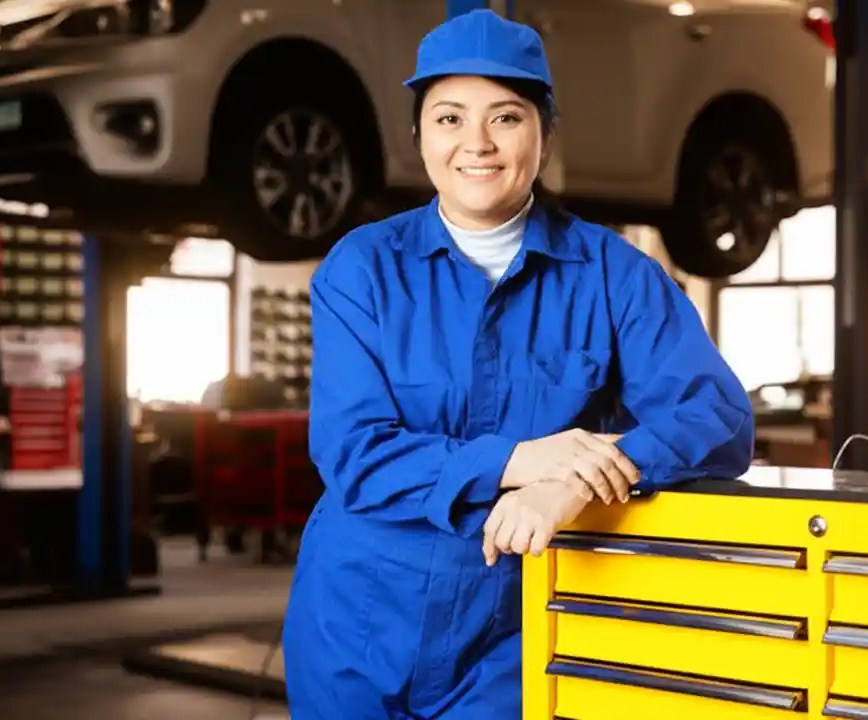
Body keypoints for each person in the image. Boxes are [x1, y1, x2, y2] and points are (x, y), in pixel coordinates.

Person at [282, 9, 755, 719]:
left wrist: (582, 482)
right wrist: (523, 461)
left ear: (545, 133)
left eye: (505, 118)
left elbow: (718, 419)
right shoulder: (363, 269)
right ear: (419, 136)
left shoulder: (615, 276)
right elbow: (353, 451)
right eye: (449, 118)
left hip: (511, 629)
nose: (476, 143)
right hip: (357, 621)